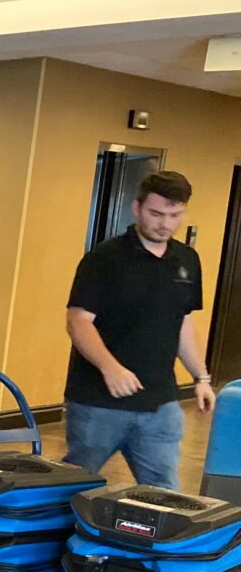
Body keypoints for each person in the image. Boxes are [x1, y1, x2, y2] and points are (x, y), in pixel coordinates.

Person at [64, 170, 215, 489]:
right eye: (156, 214)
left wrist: (201, 377)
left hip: (160, 404)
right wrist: (110, 367)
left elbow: (182, 322)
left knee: (164, 495)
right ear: (137, 208)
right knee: (72, 488)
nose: (165, 224)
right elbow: (78, 321)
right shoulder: (104, 259)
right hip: (98, 403)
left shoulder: (186, 260)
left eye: (175, 215)